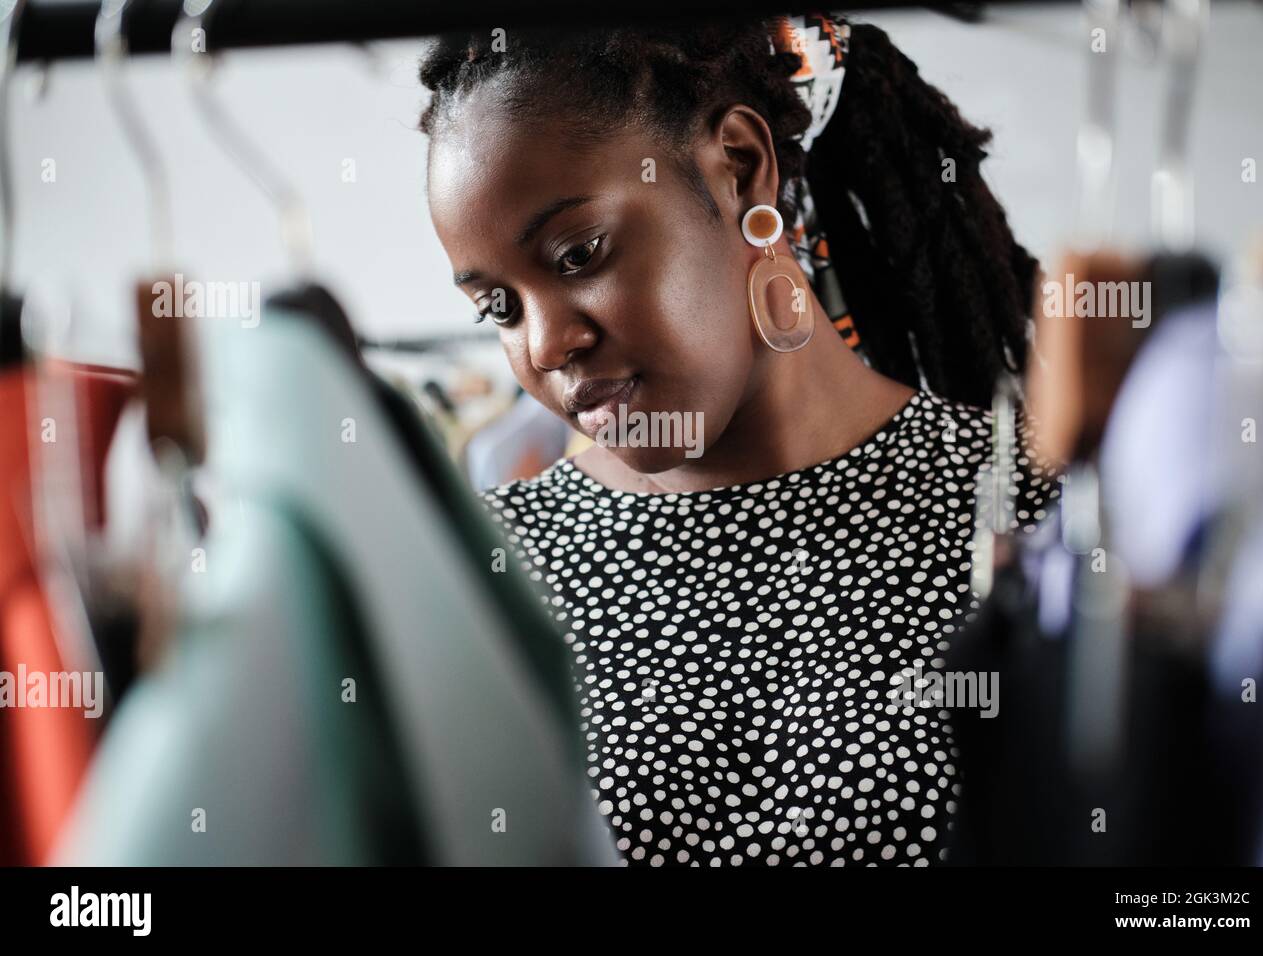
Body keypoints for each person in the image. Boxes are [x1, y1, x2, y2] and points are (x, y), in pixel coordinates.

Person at [417, 13, 1057, 866]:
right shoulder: (487, 572)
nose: (541, 346)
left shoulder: (1036, 512)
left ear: (739, 169)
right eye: (499, 306)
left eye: (578, 255)